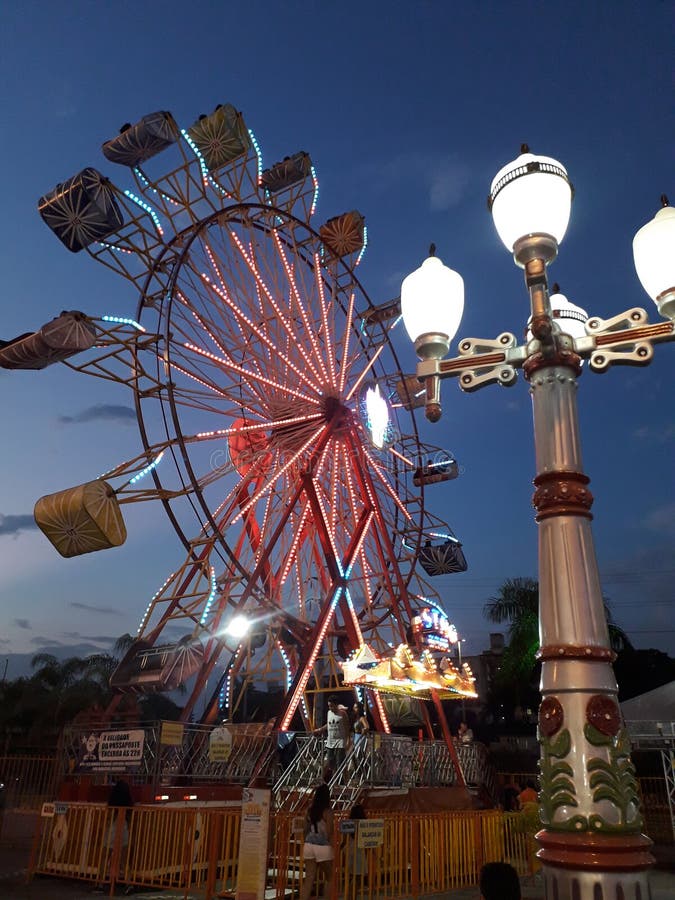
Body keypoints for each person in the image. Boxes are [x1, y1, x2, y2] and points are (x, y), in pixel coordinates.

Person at [301, 783, 334, 900]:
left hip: (309, 844)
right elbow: (329, 832)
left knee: (309, 878)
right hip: (322, 845)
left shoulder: (309, 810)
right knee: (330, 877)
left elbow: (305, 829)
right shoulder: (328, 811)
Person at [314, 695, 350, 770]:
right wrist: (320, 729)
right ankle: (334, 778)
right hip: (330, 741)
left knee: (340, 762)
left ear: (336, 705)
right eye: (329, 706)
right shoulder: (329, 713)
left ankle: (342, 780)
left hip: (340, 742)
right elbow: (329, 724)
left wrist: (348, 740)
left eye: (332, 706)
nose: (330, 708)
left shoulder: (342, 714)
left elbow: (347, 727)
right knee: (330, 762)